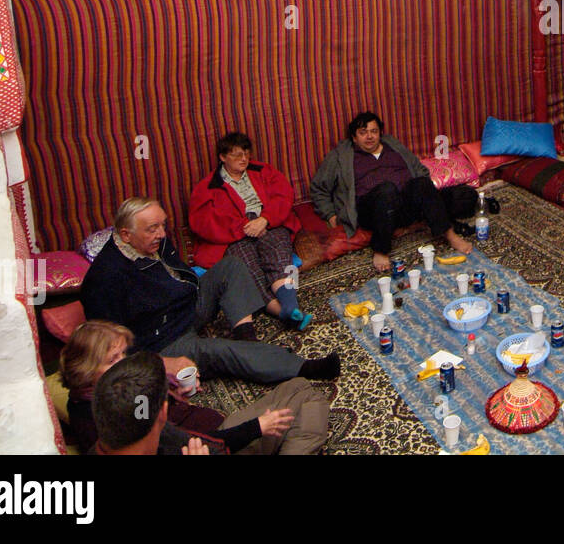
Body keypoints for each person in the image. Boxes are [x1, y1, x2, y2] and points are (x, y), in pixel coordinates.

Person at [81, 197, 341, 385]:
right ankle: (302, 367)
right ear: (125, 235)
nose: (162, 234)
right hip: (164, 340)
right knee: (220, 351)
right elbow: (110, 349)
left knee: (232, 266)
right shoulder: (105, 278)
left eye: (163, 225)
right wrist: (159, 362)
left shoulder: (154, 242)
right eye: (153, 229)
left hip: (187, 305)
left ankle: (247, 338)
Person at [62, 320, 330, 455]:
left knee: (302, 392)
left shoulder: (116, 409)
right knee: (306, 395)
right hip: (222, 441)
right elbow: (209, 445)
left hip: (211, 436)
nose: (123, 363)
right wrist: (257, 426)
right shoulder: (137, 422)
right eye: (113, 359)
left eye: (124, 355)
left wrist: (168, 393)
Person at [310, 111, 475, 272]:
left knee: (447, 190)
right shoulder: (341, 156)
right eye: (363, 132)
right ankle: (381, 250)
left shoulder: (392, 145)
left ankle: (450, 235)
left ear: (380, 133)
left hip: (403, 206)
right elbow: (318, 188)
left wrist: (426, 197)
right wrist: (330, 215)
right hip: (371, 210)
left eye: (374, 131)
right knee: (386, 190)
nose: (369, 136)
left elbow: (420, 171)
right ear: (354, 137)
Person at [188, 132, 311, 331]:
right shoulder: (208, 186)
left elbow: (283, 194)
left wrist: (265, 219)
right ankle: (284, 312)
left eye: (246, 154)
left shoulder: (262, 170)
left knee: (279, 254)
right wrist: (243, 228)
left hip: (267, 223)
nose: (244, 159)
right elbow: (202, 222)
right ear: (222, 157)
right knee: (246, 267)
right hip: (234, 236)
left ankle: (290, 305)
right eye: (237, 155)